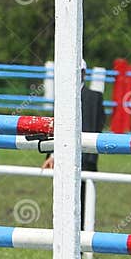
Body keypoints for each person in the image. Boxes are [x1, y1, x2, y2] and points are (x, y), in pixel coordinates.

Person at [41, 58, 105, 229]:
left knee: (84, 200)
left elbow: (98, 126)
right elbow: (55, 127)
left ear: (84, 73)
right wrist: (51, 154)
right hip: (63, 157)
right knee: (63, 200)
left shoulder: (95, 97)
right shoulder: (62, 97)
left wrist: (90, 154)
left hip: (86, 159)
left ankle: (82, 242)